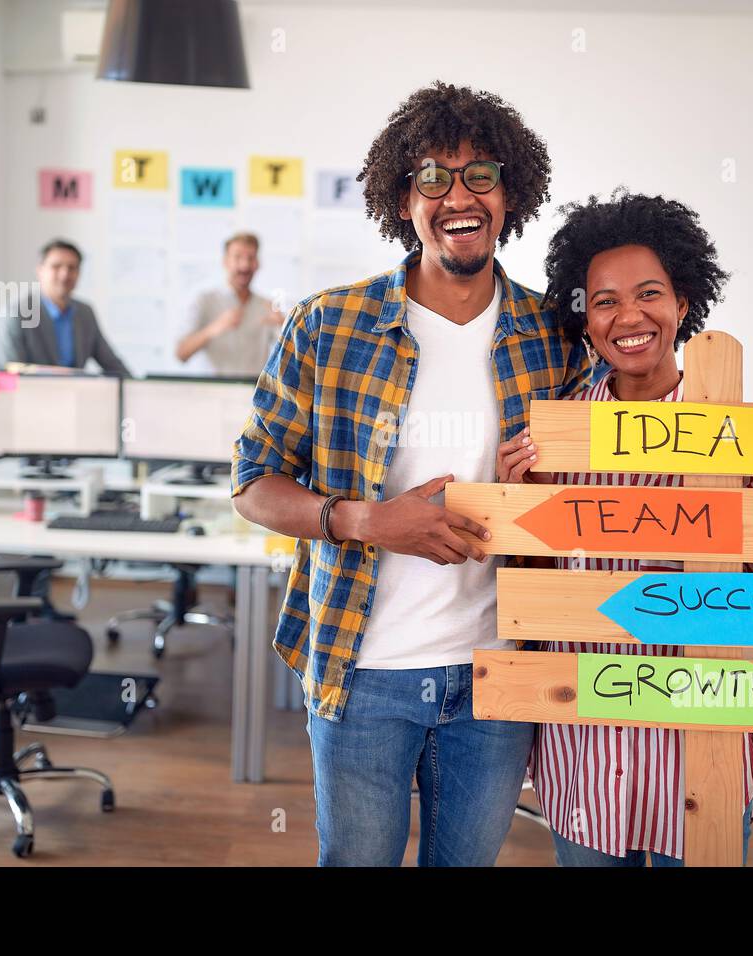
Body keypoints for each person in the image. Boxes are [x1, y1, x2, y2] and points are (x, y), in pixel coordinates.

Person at [232, 82, 590, 866]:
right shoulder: (328, 325)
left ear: (510, 193)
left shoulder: (555, 337)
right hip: (363, 672)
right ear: (403, 199)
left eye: (480, 175)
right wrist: (368, 520)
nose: (458, 196)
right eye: (433, 177)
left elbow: (608, 469)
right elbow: (253, 482)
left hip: (496, 670)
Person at [497, 190, 753, 867]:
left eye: (649, 294)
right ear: (586, 318)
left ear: (684, 303)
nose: (629, 316)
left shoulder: (743, 435)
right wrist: (525, 512)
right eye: (605, 301)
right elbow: (536, 605)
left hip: (701, 755)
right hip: (586, 759)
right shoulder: (557, 438)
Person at [0, 239, 130, 375]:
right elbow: (10, 371)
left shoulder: (85, 312)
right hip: (30, 390)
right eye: (56, 266)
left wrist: (135, 384)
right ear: (40, 271)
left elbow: (111, 363)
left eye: (72, 268)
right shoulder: (16, 312)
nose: (65, 275)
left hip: (75, 390)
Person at [175, 232, 286, 377]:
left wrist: (285, 325)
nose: (245, 265)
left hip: (254, 389)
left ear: (257, 264)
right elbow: (181, 353)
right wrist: (214, 328)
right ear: (225, 261)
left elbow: (294, 357)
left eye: (250, 258)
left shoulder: (268, 307)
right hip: (214, 388)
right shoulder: (204, 300)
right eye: (238, 257)